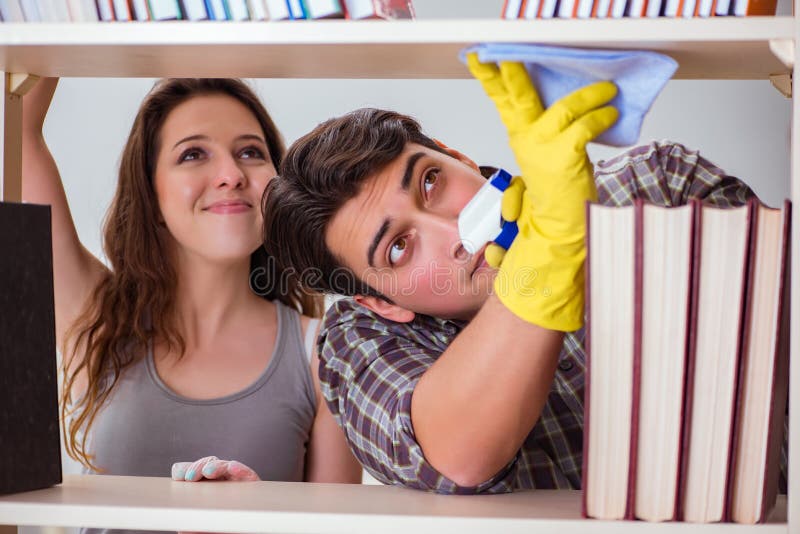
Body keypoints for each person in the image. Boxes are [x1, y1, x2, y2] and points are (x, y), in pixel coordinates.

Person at [259, 55, 785, 494]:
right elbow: (456, 456)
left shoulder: (656, 183)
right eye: (399, 248)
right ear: (381, 301)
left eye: (430, 183)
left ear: (458, 157)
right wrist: (548, 260)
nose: (453, 230)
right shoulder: (356, 339)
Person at [22, 78, 362, 499]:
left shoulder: (324, 354)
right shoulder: (96, 318)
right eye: (193, 153)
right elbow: (17, 129)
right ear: (151, 194)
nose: (231, 175)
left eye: (250, 152)